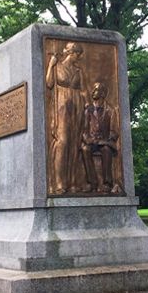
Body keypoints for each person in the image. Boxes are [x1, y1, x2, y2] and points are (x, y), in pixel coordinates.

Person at [45, 41, 87, 194]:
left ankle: (73, 182)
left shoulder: (78, 71)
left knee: (74, 144)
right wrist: (50, 64)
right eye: (78, 54)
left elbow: (83, 91)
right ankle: (59, 183)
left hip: (77, 107)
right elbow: (49, 83)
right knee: (62, 142)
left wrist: (85, 108)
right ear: (72, 53)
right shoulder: (57, 67)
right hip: (61, 106)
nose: (79, 57)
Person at [81, 82, 119, 193]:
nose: (93, 92)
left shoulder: (110, 110)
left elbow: (114, 131)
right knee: (85, 149)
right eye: (93, 89)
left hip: (105, 142)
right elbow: (84, 129)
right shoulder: (88, 110)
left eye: (96, 89)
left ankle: (107, 183)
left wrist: (107, 140)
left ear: (102, 93)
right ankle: (91, 182)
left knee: (106, 150)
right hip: (92, 141)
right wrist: (87, 139)